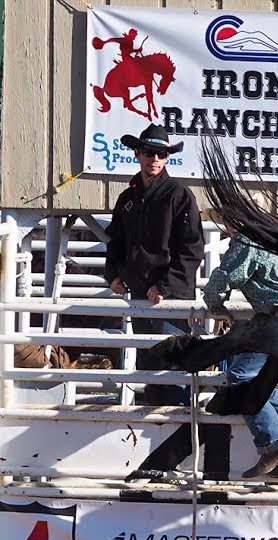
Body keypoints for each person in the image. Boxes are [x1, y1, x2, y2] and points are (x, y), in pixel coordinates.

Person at [205, 192, 278, 478]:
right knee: (266, 382)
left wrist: (218, 308)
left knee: (242, 377)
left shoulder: (247, 239)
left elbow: (221, 280)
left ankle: (273, 445)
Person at [104, 123, 203, 406]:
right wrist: (113, 276)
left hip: (170, 300)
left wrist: (164, 285)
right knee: (150, 366)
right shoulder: (128, 198)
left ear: (167, 157)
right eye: (149, 152)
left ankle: (177, 431)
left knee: (172, 369)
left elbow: (192, 249)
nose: (154, 159)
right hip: (140, 297)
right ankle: (159, 432)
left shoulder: (180, 195)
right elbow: (116, 243)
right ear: (138, 153)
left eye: (161, 154)